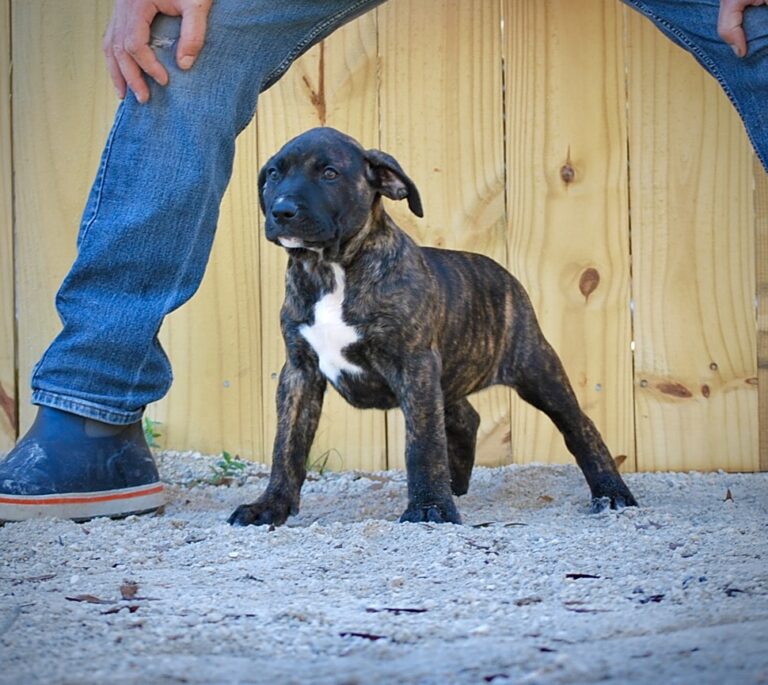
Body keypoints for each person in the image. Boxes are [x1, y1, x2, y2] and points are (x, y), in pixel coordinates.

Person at [0, 0, 765, 522]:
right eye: (278, 183)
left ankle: (572, 478)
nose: (287, 199)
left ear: (383, 187)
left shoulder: (402, 272)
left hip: (476, 318)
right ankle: (90, 414)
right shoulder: (302, 282)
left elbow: (422, 369)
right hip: (352, 325)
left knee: (549, 389)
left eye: (323, 178)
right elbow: (299, 381)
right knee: (175, 32)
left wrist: (427, 495)